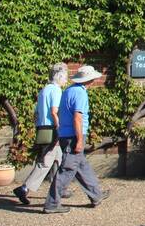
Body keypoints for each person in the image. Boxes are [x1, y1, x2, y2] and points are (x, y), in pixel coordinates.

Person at [43, 65, 109, 214]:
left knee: (82, 166)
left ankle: (96, 195)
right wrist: (79, 140)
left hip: (66, 135)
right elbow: (77, 118)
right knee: (67, 170)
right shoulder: (80, 94)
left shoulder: (69, 90)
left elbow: (62, 114)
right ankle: (52, 204)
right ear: (90, 80)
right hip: (74, 136)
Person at [14, 63, 69, 204]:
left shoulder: (44, 90)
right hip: (52, 129)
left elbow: (36, 114)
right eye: (65, 77)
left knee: (60, 159)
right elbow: (54, 112)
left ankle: (59, 189)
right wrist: (60, 128)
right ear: (59, 76)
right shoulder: (56, 91)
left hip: (42, 128)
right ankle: (24, 188)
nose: (66, 80)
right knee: (47, 161)